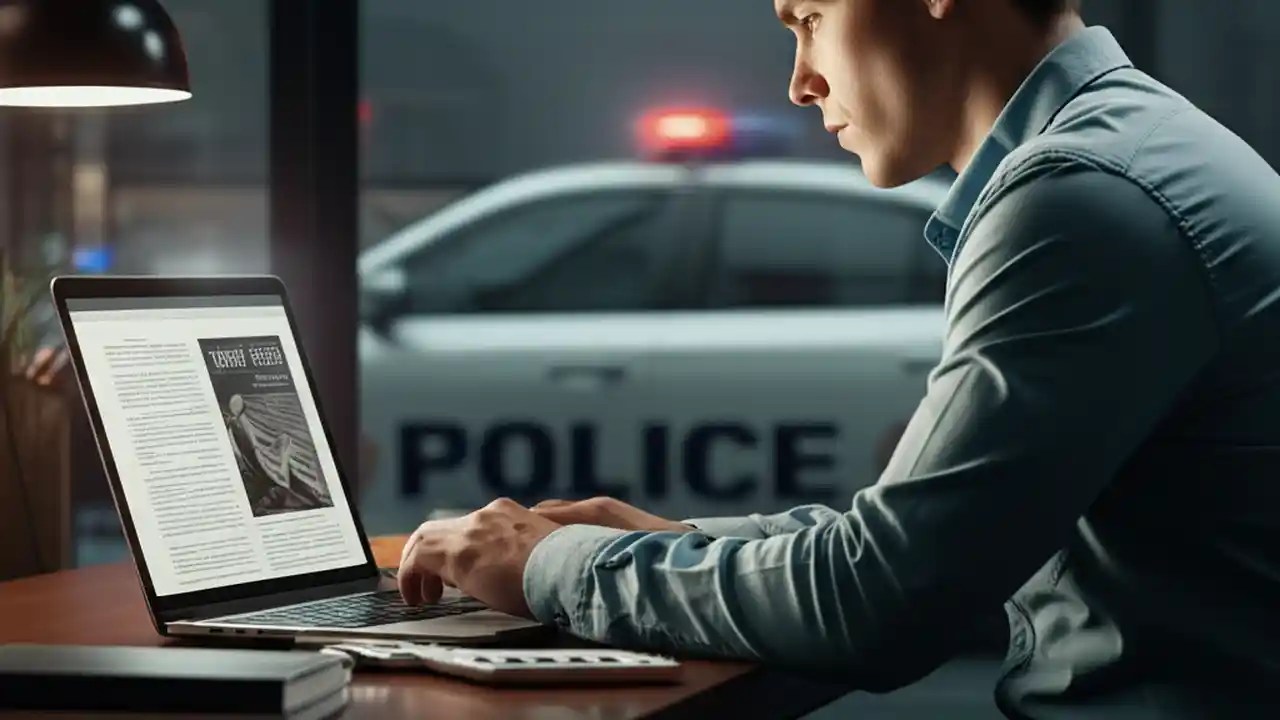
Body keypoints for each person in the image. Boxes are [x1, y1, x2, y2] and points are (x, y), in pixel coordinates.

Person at [397, 1, 1280, 716]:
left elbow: (879, 602)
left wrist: (549, 568)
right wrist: (680, 549)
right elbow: (913, 548)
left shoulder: (1080, 199)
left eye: (808, 18)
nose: (800, 82)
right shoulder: (1144, 145)